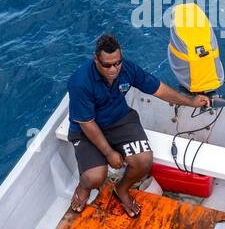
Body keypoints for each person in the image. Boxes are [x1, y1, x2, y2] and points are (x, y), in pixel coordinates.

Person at [67, 33, 210, 219]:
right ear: (96, 60)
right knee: (94, 177)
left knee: (143, 161)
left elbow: (158, 89)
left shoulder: (127, 68)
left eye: (117, 63)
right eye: (107, 65)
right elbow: (86, 123)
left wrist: (190, 102)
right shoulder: (80, 82)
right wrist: (109, 153)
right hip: (87, 130)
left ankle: (122, 189)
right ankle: (83, 187)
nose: (114, 69)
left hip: (120, 121)